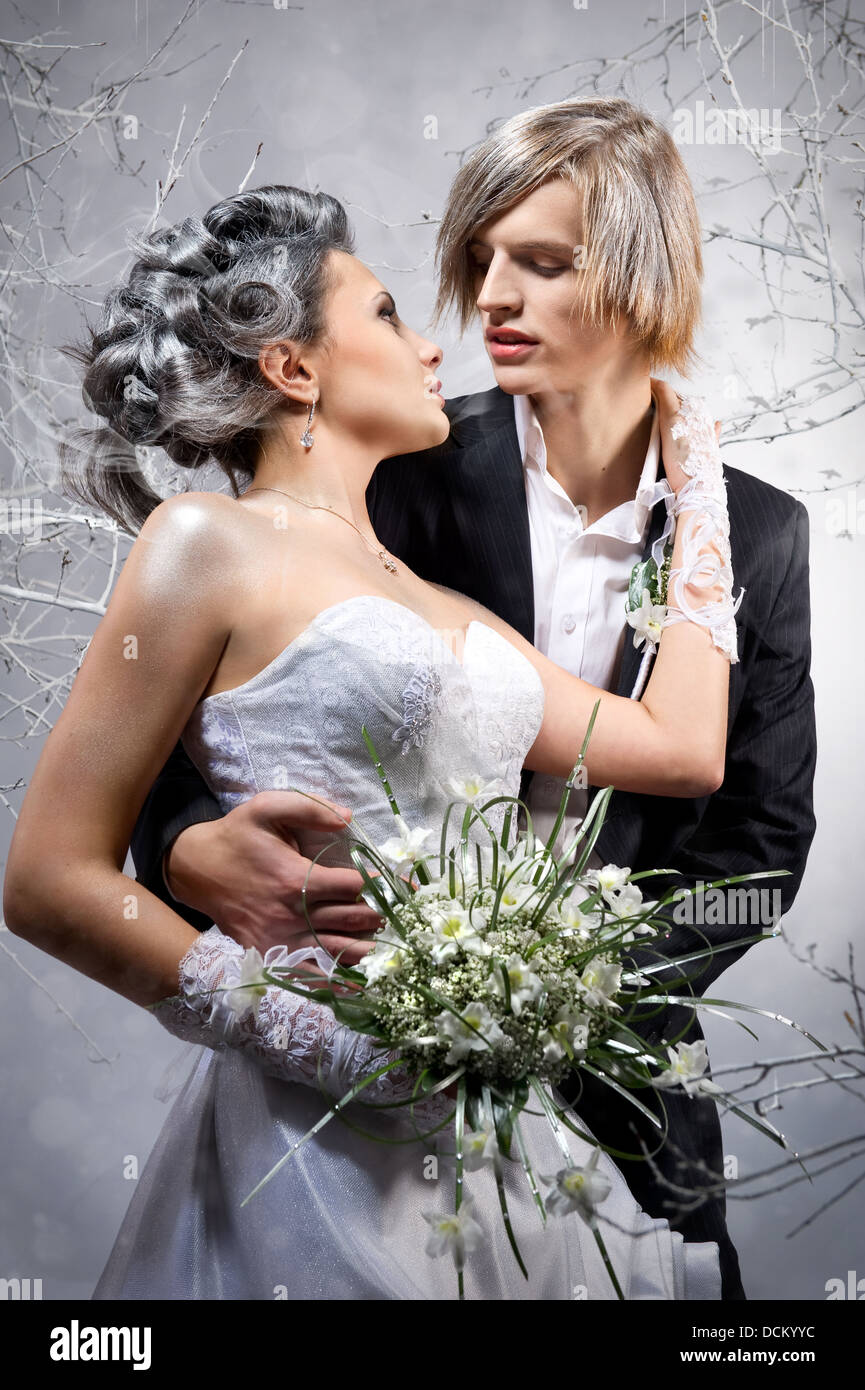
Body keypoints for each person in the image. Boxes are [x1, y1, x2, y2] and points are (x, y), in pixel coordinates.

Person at [124, 100, 817, 1302]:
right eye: (480, 259)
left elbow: (757, 834)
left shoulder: (754, 533)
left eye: (540, 264)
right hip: (351, 1067)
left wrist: (562, 995)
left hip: (622, 1086)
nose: (488, 296)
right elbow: (207, 720)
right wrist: (186, 849)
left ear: (646, 280)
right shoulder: (389, 465)